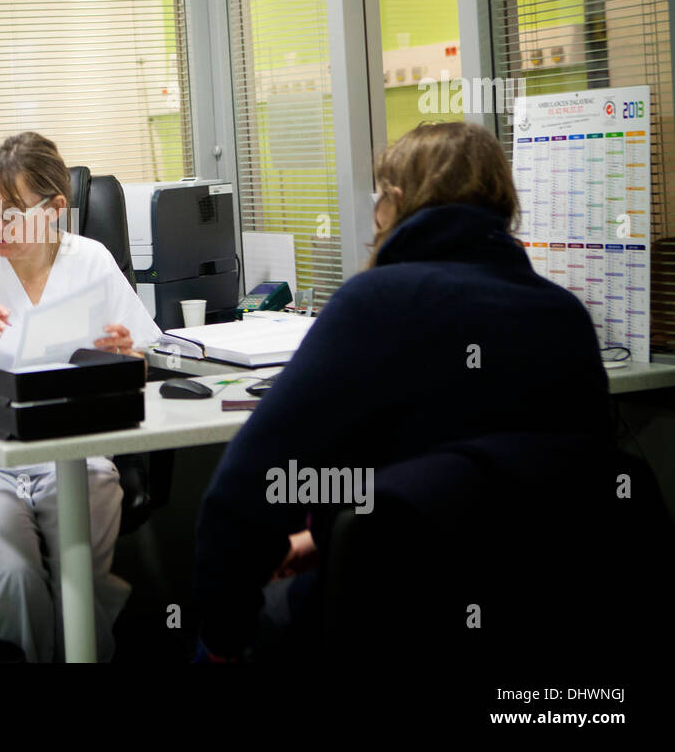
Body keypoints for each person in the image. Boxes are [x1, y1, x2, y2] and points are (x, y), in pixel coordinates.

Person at [192, 121, 611, 664]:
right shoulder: (564, 315)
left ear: (392, 201)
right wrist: (334, 537)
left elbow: (243, 496)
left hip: (399, 612)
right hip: (549, 614)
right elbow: (525, 480)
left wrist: (225, 639)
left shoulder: (380, 301)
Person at [0, 132, 161, 661]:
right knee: (16, 578)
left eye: (12, 213)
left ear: (56, 209)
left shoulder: (91, 261)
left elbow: (140, 364)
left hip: (78, 451)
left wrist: (121, 354)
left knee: (80, 576)